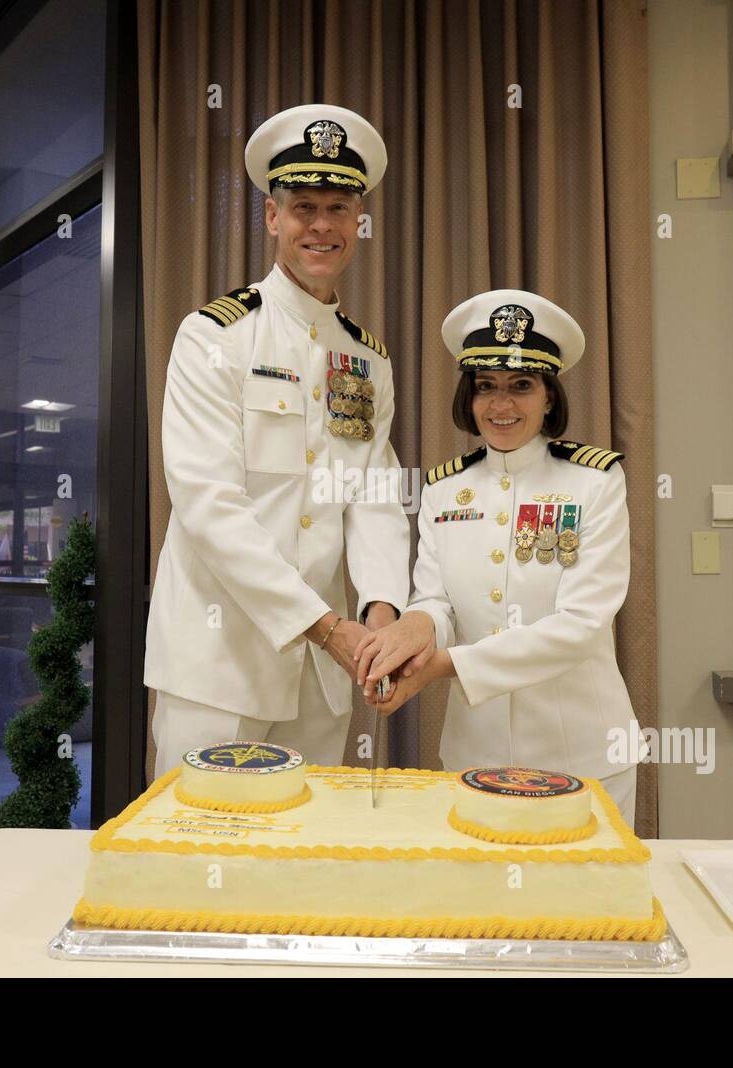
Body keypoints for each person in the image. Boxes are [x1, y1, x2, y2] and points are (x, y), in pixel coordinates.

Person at [145, 104, 410, 778]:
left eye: (340, 208)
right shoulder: (216, 336)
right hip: (219, 659)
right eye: (304, 207)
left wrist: (381, 611)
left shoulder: (368, 360)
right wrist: (328, 627)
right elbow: (209, 506)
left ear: (359, 222)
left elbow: (375, 495)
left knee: (307, 858)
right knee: (197, 853)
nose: (322, 225)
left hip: (322, 676)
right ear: (272, 217)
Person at [353, 290, 640, 822]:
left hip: (585, 754)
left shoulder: (595, 481)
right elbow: (437, 601)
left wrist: (443, 665)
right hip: (475, 756)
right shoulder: (444, 490)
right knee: (480, 903)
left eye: (520, 386)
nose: (500, 405)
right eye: (486, 387)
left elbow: (581, 623)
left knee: (584, 903)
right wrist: (409, 629)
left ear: (549, 396)